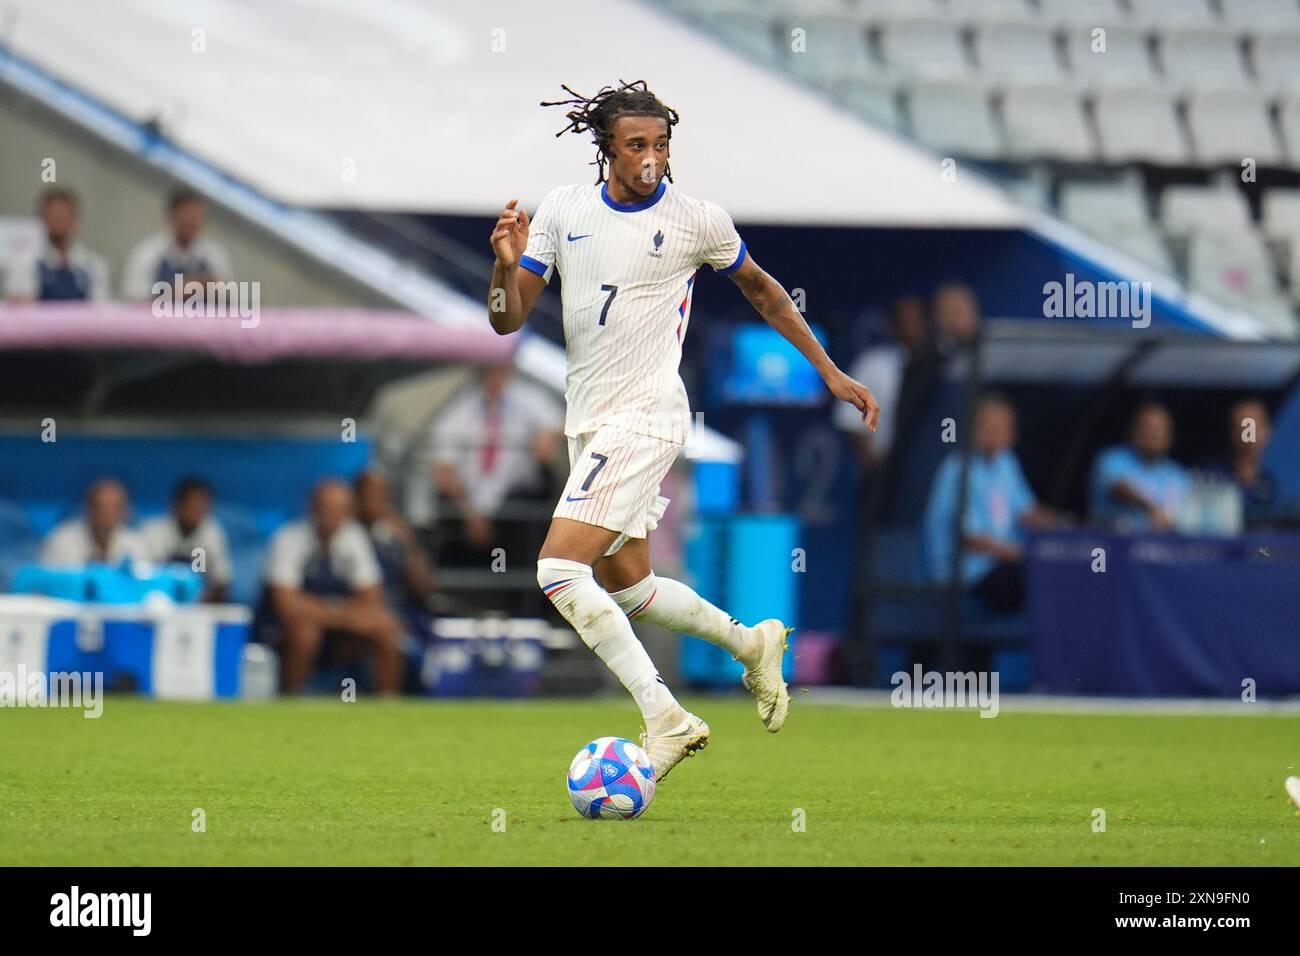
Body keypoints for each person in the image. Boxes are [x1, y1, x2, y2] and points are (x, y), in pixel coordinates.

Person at [486, 80, 880, 780]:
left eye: (662, 145)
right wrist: (505, 266)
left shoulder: (698, 221)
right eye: (637, 145)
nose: (651, 158)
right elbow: (506, 319)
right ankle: (751, 644)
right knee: (629, 583)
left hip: (647, 417)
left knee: (556, 568)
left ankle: (664, 716)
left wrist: (829, 370)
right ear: (605, 146)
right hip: (591, 419)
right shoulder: (562, 210)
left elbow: (763, 290)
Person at [262, 480, 403, 695]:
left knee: (385, 628)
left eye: (338, 509)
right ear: (312, 508)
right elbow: (286, 604)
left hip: (337, 626)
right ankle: (291, 698)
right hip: (287, 628)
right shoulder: (289, 538)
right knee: (306, 633)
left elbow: (372, 598)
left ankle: (387, 702)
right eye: (324, 508)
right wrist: (341, 613)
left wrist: (337, 616)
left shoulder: (354, 538)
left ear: (348, 511)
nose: (330, 516)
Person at [922, 393, 1055, 612]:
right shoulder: (958, 468)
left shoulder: (1006, 462)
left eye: (1002, 427)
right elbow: (971, 539)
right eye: (989, 426)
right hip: (963, 575)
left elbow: (1027, 513)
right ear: (973, 429)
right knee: (1034, 576)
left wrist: (1065, 527)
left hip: (998, 568)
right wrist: (1026, 554)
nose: (996, 433)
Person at [430, 363, 563, 565]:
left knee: (523, 528)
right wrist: (470, 513)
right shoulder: (460, 409)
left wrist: (547, 438)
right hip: (468, 504)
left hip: (515, 502)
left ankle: (513, 585)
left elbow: (559, 424)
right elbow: (444, 471)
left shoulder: (527, 398)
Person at [834, 295, 928, 471]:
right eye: (903, 321)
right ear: (892, 326)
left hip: (924, 466)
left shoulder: (940, 366)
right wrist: (871, 462)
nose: (910, 328)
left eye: (915, 321)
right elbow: (849, 419)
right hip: (882, 464)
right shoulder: (872, 364)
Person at [1090, 402, 1191, 531]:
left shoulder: (1178, 473)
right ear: (1134, 430)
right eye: (1148, 428)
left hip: (1163, 545)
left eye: (1160, 429)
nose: (1154, 435)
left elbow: (1186, 514)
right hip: (1112, 544)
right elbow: (1118, 488)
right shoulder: (1112, 459)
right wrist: (1150, 508)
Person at [354, 470, 437, 625]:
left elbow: (424, 587)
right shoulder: (348, 534)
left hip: (400, 611)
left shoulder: (397, 535)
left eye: (381, 495)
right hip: (361, 614)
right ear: (357, 498)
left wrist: (408, 544)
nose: (374, 501)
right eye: (369, 495)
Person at [122, 188, 234, 300]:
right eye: (187, 215)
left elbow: (230, 303)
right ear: (171, 216)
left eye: (197, 217)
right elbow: (134, 301)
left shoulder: (216, 257)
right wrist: (176, 292)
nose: (192, 221)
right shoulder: (147, 254)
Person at [5, 188, 111, 302]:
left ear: (75, 221)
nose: (58, 222)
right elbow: (21, 308)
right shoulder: (25, 262)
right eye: (54, 217)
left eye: (63, 217)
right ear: (41, 219)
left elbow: (100, 309)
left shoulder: (93, 265)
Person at [139, 477, 232, 602]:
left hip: (199, 605)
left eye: (201, 505)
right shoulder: (153, 531)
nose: (196, 510)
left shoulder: (212, 533)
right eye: (191, 504)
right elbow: (140, 577)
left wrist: (201, 601)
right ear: (177, 505)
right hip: (157, 601)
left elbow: (222, 581)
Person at [41, 478, 147, 564]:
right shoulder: (61, 541)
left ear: (125, 512)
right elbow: (44, 584)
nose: (107, 515)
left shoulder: (135, 544)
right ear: (87, 509)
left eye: (114, 508)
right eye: (100, 507)